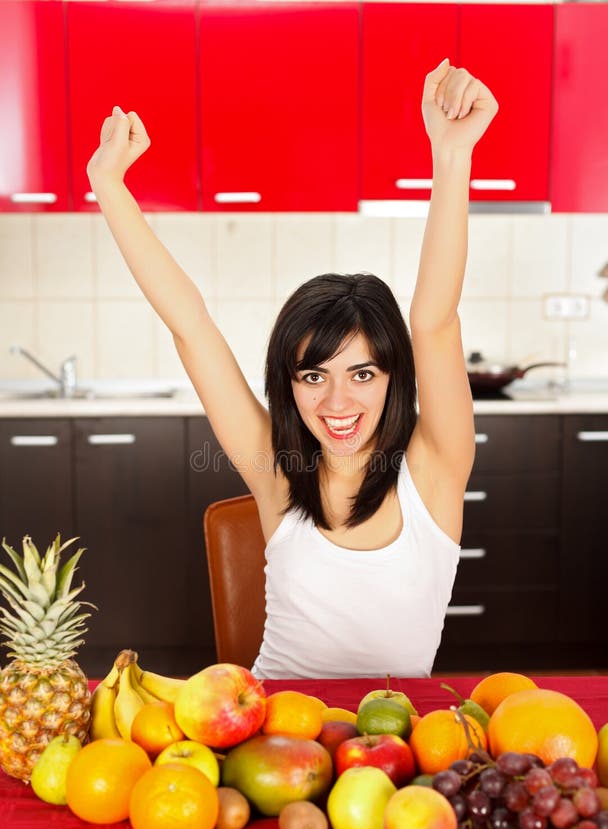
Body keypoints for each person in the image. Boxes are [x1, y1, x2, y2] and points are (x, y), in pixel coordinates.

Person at [87, 59, 498, 679]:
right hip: (269, 736)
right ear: (289, 385)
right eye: (313, 376)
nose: (337, 402)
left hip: (395, 743)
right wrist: (110, 187)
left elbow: (434, 322)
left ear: (394, 379)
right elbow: (191, 326)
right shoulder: (278, 472)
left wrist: (451, 153)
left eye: (363, 374)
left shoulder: (435, 471)